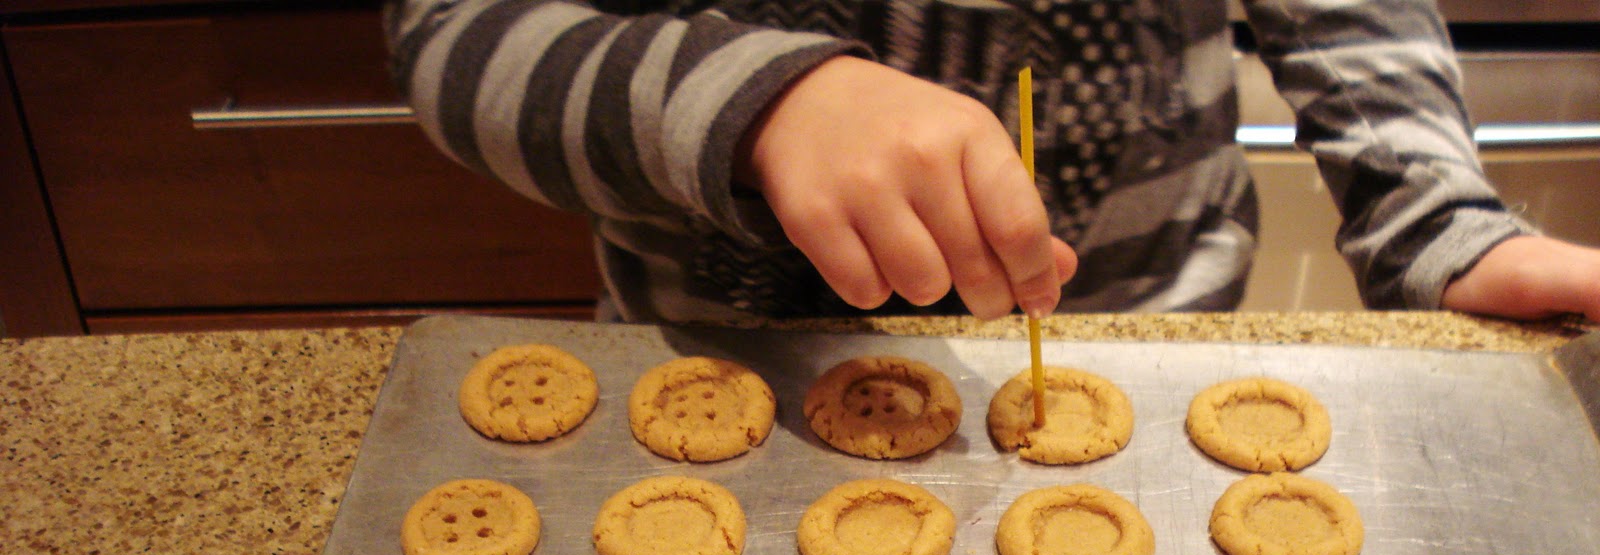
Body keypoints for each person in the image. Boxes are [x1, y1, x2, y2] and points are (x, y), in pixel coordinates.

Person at [384, 0, 1600, 324]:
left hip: (1143, 350)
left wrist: (1428, 213)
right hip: (724, 364)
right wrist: (746, 102)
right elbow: (451, 31)